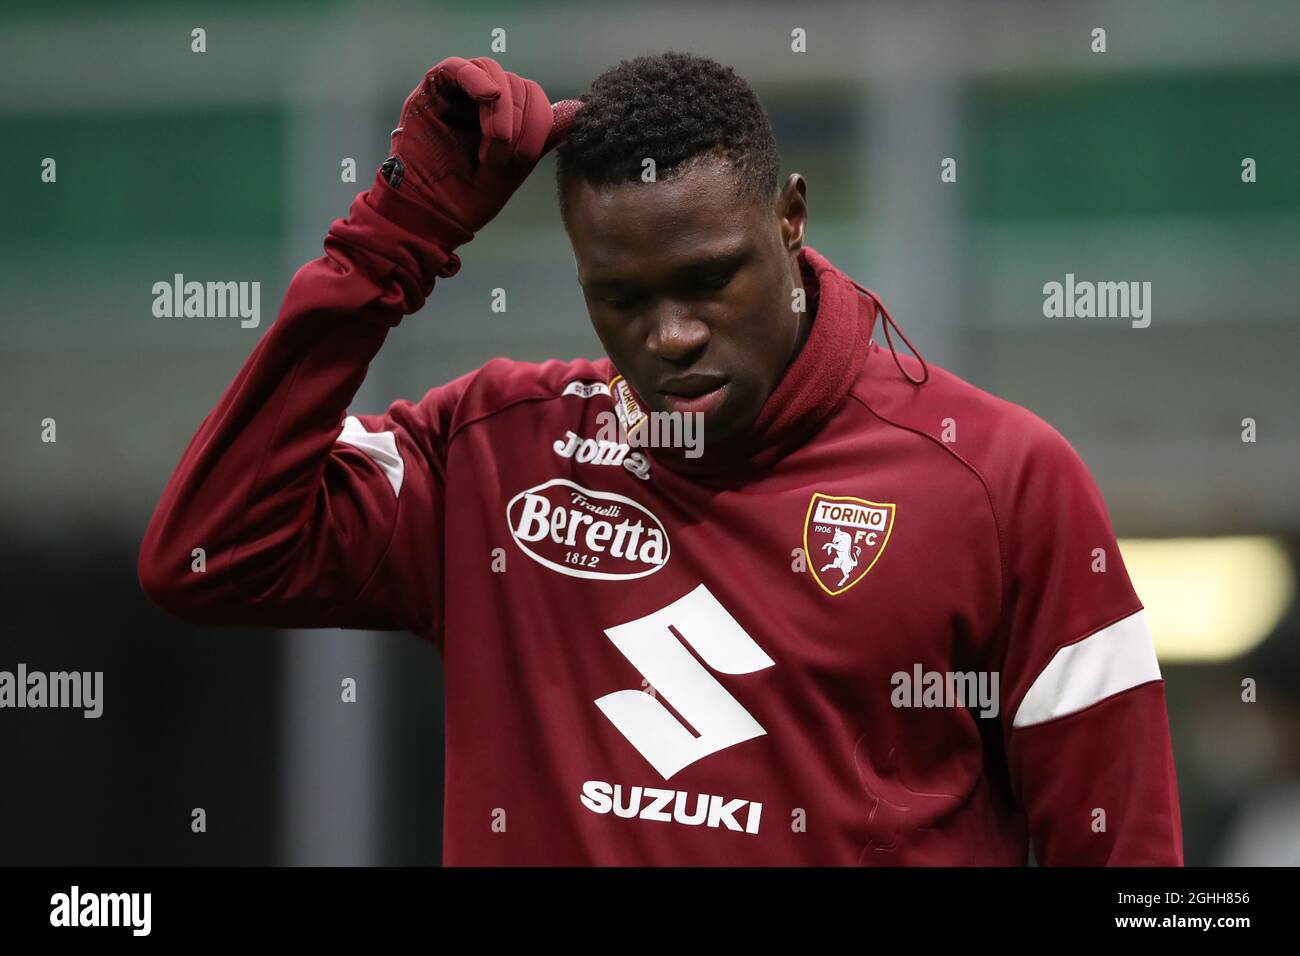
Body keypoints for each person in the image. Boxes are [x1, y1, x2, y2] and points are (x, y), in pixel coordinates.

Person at [139, 51, 1183, 865]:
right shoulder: (498, 453)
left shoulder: (998, 478)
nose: (670, 335)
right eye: (623, 299)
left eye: (709, 279)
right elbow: (207, 551)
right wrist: (393, 239)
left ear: (791, 216)